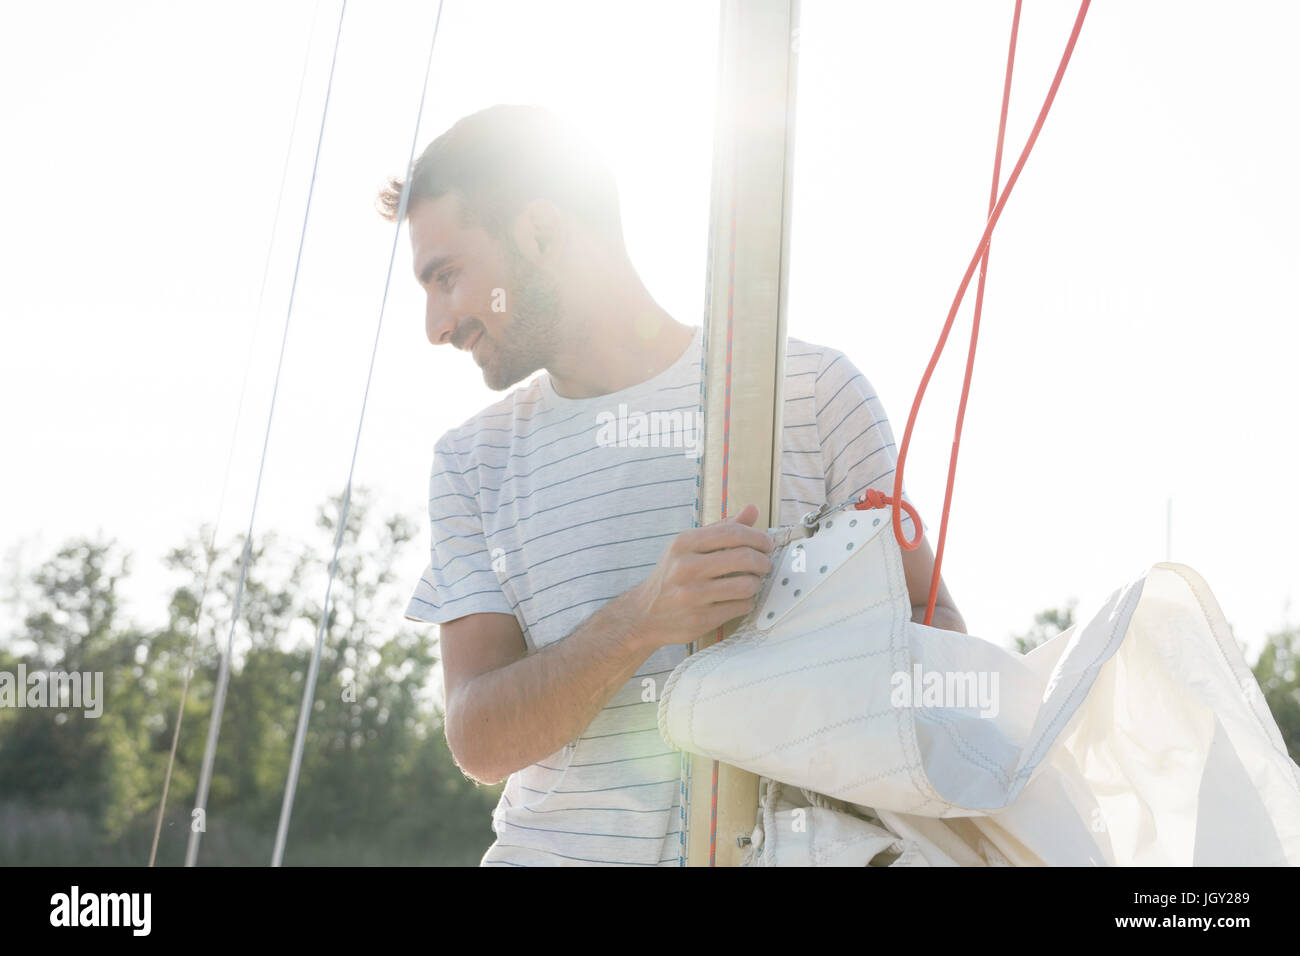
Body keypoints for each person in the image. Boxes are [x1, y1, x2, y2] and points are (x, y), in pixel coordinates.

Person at [379, 104, 967, 866]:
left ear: (541, 234)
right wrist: (639, 621)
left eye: (446, 276)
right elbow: (479, 739)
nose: (435, 322)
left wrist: (815, 649)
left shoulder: (813, 392)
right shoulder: (472, 463)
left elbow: (939, 638)